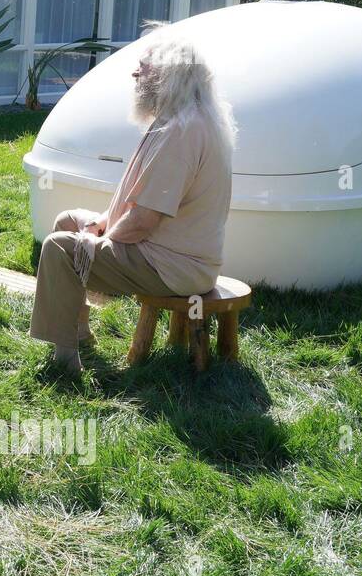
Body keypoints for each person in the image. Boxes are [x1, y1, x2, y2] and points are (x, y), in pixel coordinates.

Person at [29, 28, 237, 371]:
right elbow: (139, 208)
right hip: (173, 255)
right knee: (69, 221)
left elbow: (142, 222)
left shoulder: (182, 132)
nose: (135, 74)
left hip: (174, 267)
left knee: (60, 248)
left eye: (145, 68)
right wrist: (99, 225)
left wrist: (95, 242)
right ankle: (78, 333)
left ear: (170, 77)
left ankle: (64, 362)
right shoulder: (186, 121)